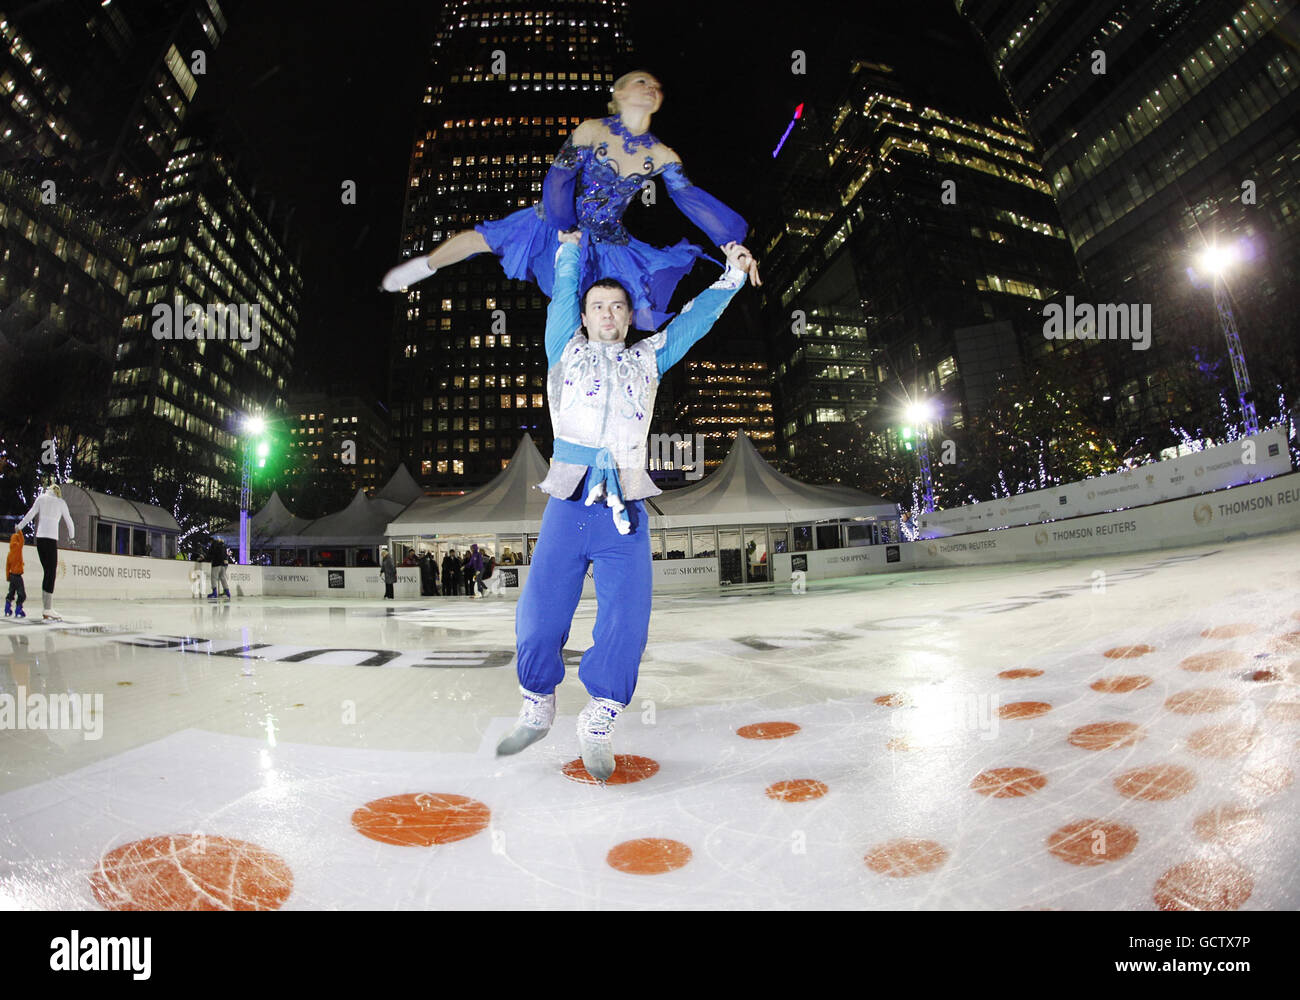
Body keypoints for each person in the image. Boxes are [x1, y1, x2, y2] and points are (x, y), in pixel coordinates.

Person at [496, 231, 754, 780]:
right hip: (569, 500)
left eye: (618, 306)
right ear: (585, 318)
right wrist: (568, 253)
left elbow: (693, 320)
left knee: (626, 621)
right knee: (539, 617)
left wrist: (731, 276)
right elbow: (562, 296)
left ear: (629, 315)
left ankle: (600, 716)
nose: (608, 313)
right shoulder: (564, 348)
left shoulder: (649, 356)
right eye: (597, 307)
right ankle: (538, 701)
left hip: (626, 509)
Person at [380, 70, 760, 329]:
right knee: (486, 239)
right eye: (641, 82)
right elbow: (559, 177)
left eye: (655, 86)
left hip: (607, 237)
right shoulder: (592, 130)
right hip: (555, 216)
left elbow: (692, 201)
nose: (650, 88)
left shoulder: (663, 155)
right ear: (620, 93)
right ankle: (425, 266)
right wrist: (563, 225)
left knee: (611, 303)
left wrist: (732, 243)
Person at [14, 483, 75, 621]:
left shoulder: (41, 499)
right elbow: (69, 521)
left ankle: (47, 607)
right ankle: (47, 609)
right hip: (51, 539)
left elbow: (30, 514)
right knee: (50, 572)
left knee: (47, 571)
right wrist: (72, 537)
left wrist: (19, 527)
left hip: (40, 538)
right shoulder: (61, 502)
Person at [5, 529, 26, 618]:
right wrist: (19, 531)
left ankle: (7, 606)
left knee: (11, 592)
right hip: (17, 576)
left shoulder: (9, 553)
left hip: (12, 576)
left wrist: (8, 577)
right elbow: (22, 541)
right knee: (22, 594)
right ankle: (19, 608)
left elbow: (7, 567)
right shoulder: (18, 548)